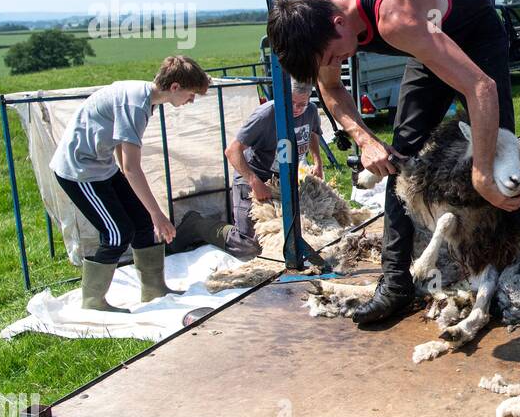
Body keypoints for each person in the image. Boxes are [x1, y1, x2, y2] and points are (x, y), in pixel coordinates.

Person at [266, 0, 520, 325]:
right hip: (427, 45)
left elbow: (481, 88)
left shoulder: (395, 18)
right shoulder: (321, 27)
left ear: (339, 23)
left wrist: (480, 171)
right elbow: (332, 88)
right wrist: (365, 140)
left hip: (475, 34)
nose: (337, 64)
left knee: (498, 158)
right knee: (402, 157)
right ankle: (397, 282)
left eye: (334, 58)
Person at [50, 55, 211, 311]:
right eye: (192, 94)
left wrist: (143, 207)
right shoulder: (137, 104)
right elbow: (131, 167)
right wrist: (158, 214)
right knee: (117, 233)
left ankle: (154, 288)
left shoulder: (146, 99)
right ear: (175, 87)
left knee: (142, 223)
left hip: (101, 165)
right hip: (79, 170)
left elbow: (120, 147)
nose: (191, 101)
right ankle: (93, 301)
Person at [225, 81, 323, 244]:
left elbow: (312, 132)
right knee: (248, 242)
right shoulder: (266, 115)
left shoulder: (311, 111)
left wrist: (317, 162)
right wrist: (254, 182)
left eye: (301, 104)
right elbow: (232, 150)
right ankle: (205, 227)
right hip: (253, 176)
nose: (296, 109)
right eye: (291, 103)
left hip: (282, 179)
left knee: (290, 233)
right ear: (282, 98)